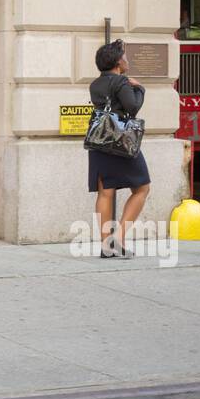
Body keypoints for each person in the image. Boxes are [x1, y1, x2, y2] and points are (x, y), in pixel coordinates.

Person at [88, 39, 152, 258]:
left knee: (105, 192)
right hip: (122, 142)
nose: (127, 60)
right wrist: (140, 88)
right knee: (142, 188)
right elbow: (132, 107)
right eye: (124, 57)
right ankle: (120, 237)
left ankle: (106, 245)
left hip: (99, 142)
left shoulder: (95, 84)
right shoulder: (122, 81)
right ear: (117, 62)